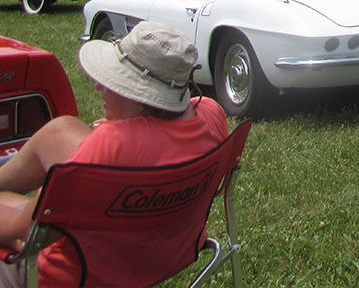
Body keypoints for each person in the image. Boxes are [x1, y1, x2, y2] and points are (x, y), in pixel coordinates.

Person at [0, 22, 228, 287]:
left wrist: (117, 133)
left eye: (115, 82)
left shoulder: (108, 148)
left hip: (71, 275)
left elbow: (27, 235)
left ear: (142, 99)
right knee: (61, 131)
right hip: (168, 250)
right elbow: (176, 119)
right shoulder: (212, 115)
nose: (99, 86)